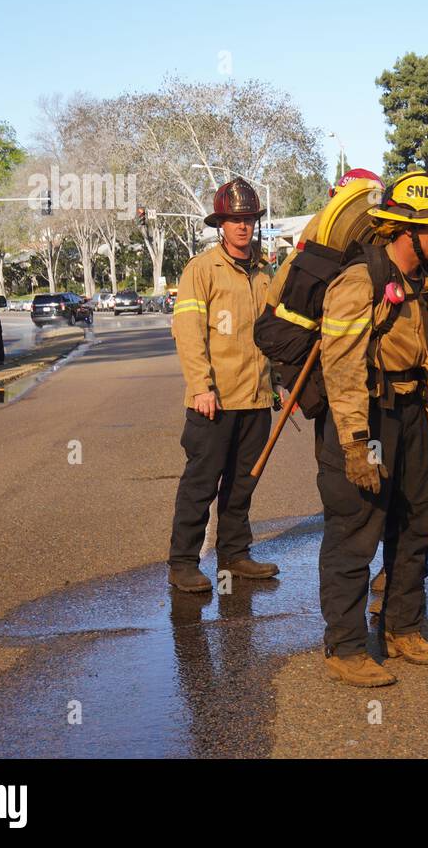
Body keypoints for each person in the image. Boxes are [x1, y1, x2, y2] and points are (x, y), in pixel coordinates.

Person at [316, 168, 428, 687]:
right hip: (364, 415)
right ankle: (347, 645)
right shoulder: (360, 282)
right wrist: (356, 442)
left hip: (409, 415)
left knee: (415, 523)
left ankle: (401, 628)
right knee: (356, 532)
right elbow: (342, 368)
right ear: (405, 230)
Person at [168, 178, 280, 593]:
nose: (242, 226)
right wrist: (201, 386)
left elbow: (270, 334)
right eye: (234, 220)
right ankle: (183, 563)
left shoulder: (266, 273)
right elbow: (189, 331)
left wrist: (278, 381)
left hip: (255, 398)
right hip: (213, 400)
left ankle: (235, 555)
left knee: (242, 482)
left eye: (248, 218)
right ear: (221, 225)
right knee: (201, 484)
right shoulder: (201, 270)